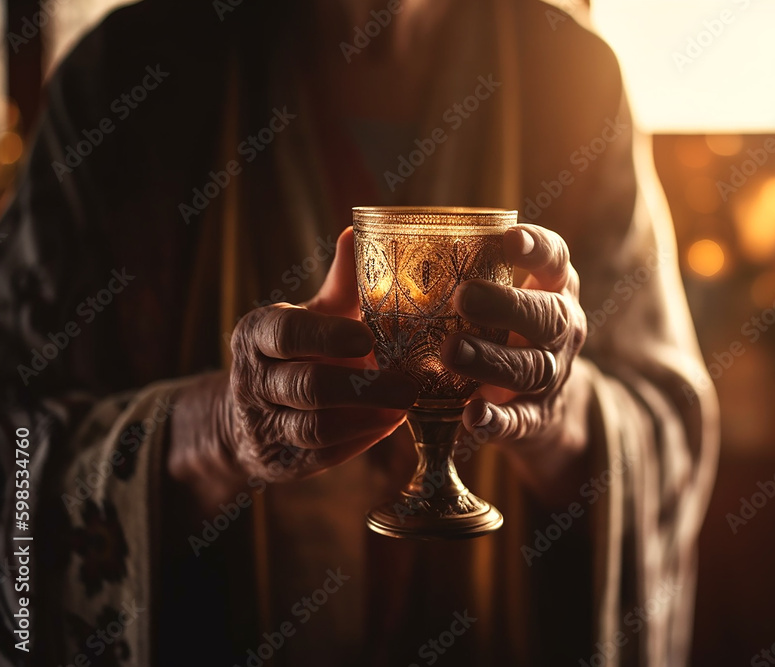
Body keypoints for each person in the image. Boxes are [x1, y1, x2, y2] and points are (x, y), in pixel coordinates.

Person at [0, 0, 718, 665]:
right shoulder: (125, 78)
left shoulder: (573, 79)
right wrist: (212, 433)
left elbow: (668, 427)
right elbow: (17, 448)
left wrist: (555, 409)